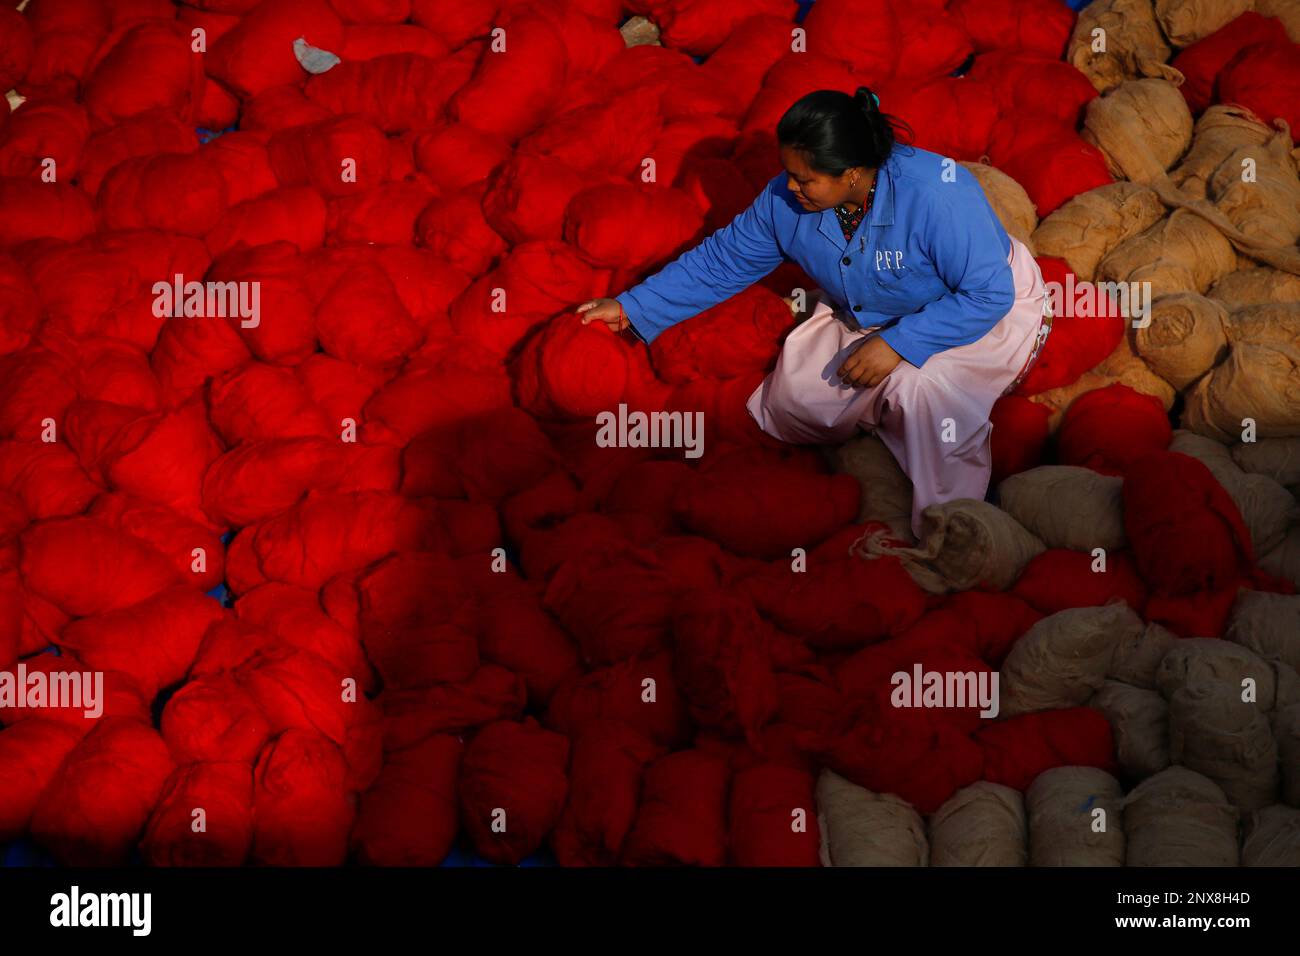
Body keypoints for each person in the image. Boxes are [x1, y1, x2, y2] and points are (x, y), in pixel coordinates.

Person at [575, 86, 1052, 538]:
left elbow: (987, 294)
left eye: (805, 178)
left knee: (921, 390)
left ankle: (954, 525)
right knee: (795, 402)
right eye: (788, 172)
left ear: (851, 173)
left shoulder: (936, 194)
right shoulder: (788, 199)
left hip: (977, 314)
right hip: (877, 309)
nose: (790, 186)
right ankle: (892, 422)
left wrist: (898, 345)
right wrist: (634, 306)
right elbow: (724, 260)